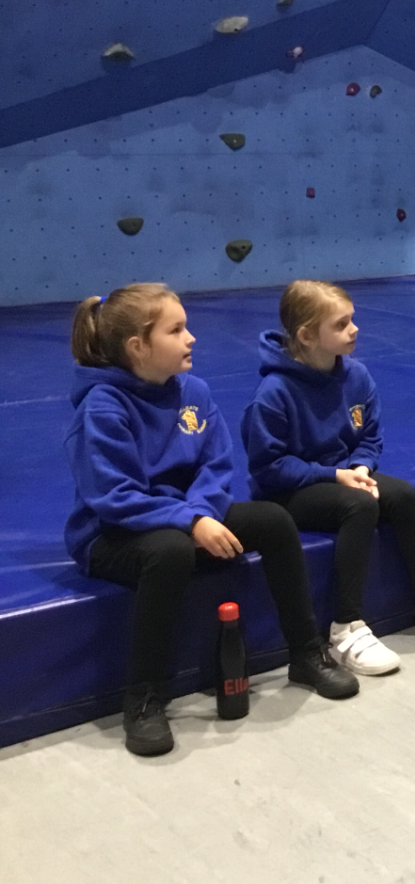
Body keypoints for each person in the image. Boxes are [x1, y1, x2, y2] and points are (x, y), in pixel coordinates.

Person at [65, 284, 357, 758]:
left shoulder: (194, 392)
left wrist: (200, 513)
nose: (192, 338)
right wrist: (189, 521)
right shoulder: (102, 407)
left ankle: (306, 653)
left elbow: (216, 466)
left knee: (275, 522)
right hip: (114, 534)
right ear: (138, 347)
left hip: (188, 516)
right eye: (176, 330)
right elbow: (112, 497)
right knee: (171, 550)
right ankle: (144, 697)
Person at [243, 281, 415, 674]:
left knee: (402, 496)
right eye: (342, 323)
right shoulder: (274, 392)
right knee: (360, 506)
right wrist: (334, 475)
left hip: (346, 475)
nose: (355, 329)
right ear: (307, 335)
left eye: (353, 319)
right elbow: (268, 467)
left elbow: (369, 436)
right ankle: (346, 626)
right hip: (290, 490)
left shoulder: (357, 376)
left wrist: (361, 467)